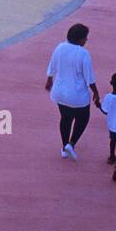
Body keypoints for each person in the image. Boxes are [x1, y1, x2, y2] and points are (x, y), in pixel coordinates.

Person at [45, 23, 99, 161]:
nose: (86, 40)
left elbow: (52, 65)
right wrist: (96, 93)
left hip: (60, 93)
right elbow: (89, 78)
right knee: (83, 118)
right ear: (80, 39)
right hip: (77, 96)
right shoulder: (83, 53)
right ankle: (71, 143)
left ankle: (64, 148)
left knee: (65, 118)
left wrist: (49, 79)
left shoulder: (60, 47)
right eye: (85, 38)